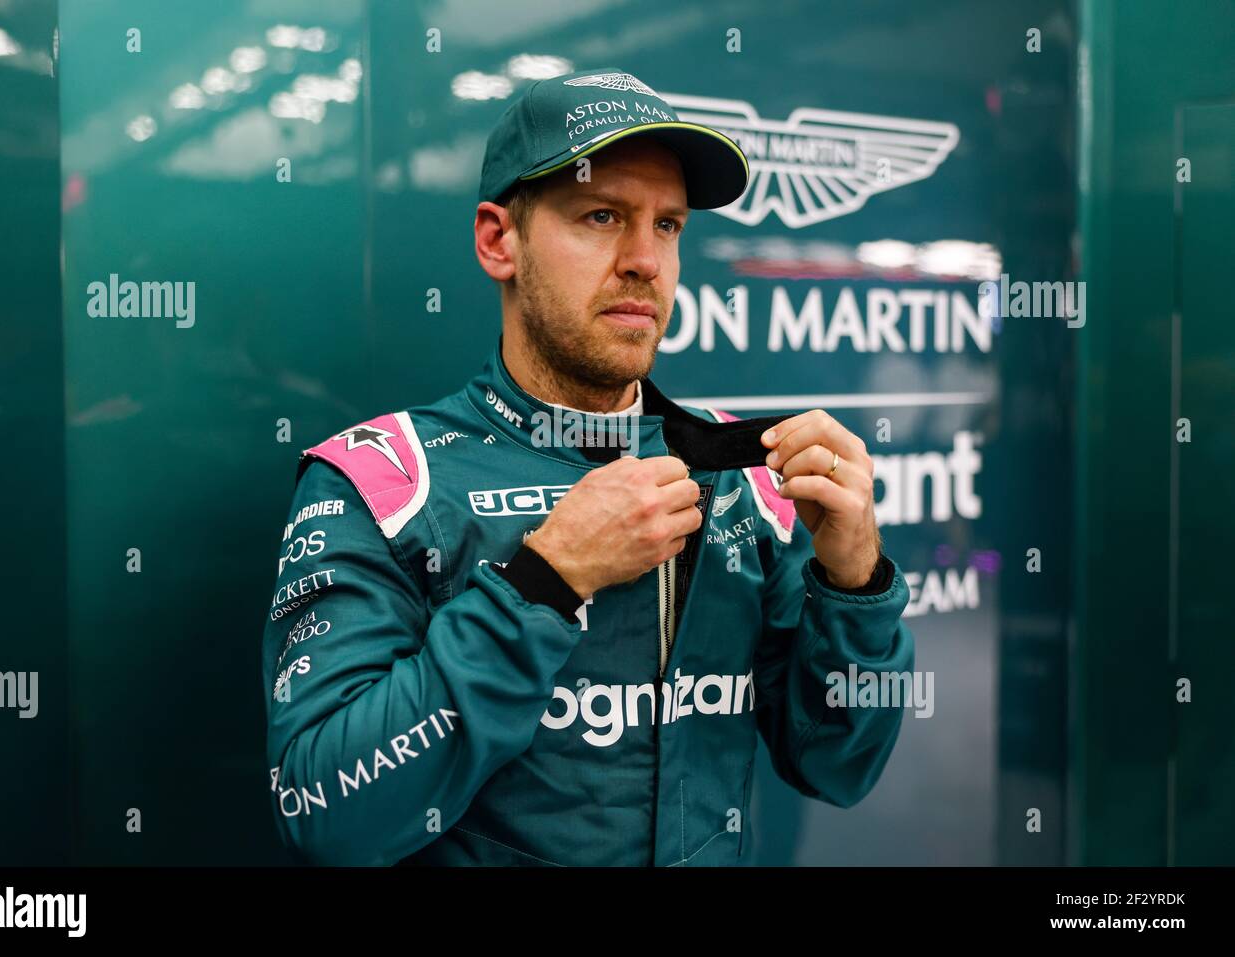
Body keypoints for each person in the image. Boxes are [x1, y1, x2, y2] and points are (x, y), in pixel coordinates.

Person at [262, 67, 914, 866]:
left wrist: (856, 585)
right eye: (602, 215)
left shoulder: (741, 476)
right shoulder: (383, 481)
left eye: (668, 225)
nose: (645, 259)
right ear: (499, 240)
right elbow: (328, 812)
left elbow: (837, 765)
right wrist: (547, 578)